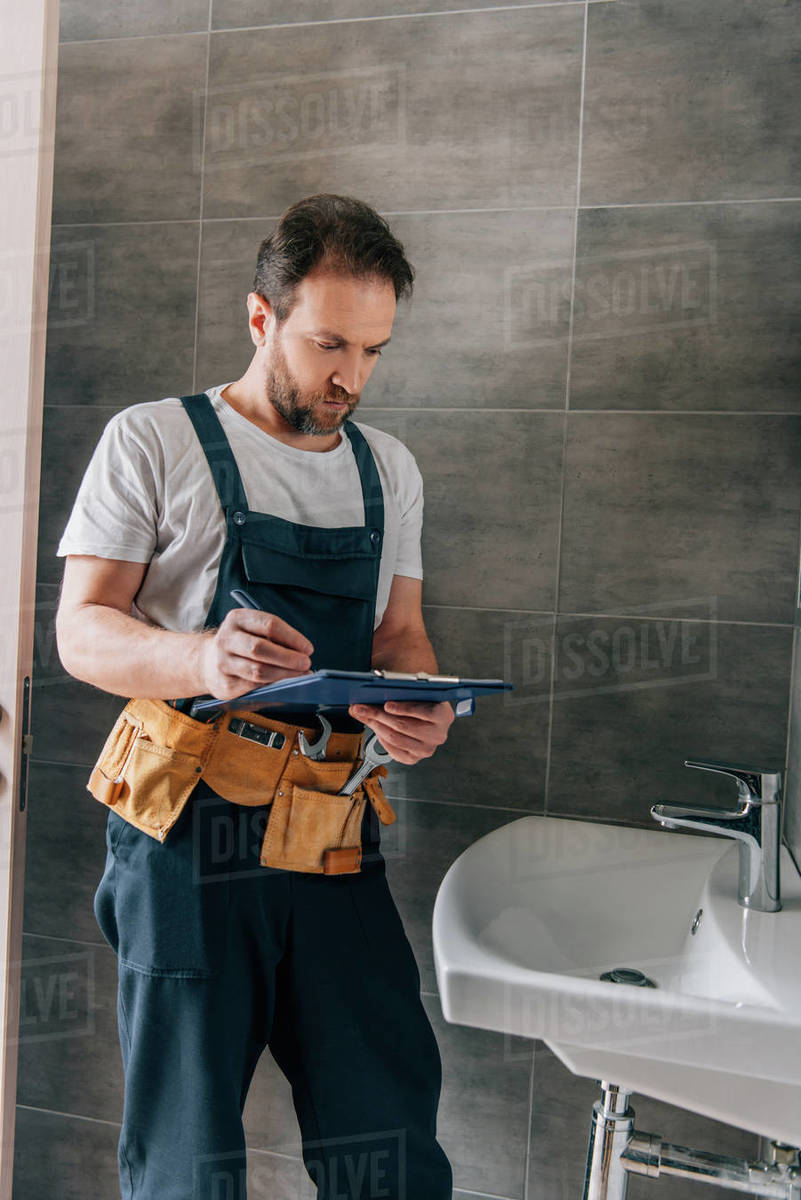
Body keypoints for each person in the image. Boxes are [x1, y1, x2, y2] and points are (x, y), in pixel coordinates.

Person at [55, 193, 455, 1200]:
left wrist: (420, 708)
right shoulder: (154, 440)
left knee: (389, 1132)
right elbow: (81, 631)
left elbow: (400, 639)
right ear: (261, 317)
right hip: (188, 836)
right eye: (329, 345)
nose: (350, 377)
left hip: (330, 827)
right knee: (186, 1156)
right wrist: (202, 662)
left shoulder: (388, 469)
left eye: (372, 351)